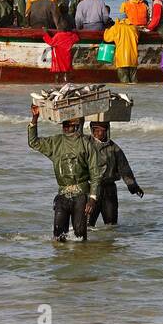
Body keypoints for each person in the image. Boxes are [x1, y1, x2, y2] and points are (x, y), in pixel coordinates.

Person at [27, 103, 105, 242]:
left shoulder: (86, 144)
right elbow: (33, 142)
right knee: (58, 237)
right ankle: (60, 261)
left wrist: (92, 198)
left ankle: (80, 259)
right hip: (62, 194)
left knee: (80, 236)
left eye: (68, 125)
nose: (66, 128)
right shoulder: (55, 142)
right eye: (64, 125)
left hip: (81, 195)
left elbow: (95, 173)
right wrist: (34, 119)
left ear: (75, 126)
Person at [88, 120, 144, 226]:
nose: (99, 133)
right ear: (92, 131)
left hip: (109, 190)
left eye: (102, 130)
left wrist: (134, 187)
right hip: (90, 189)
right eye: (96, 130)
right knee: (87, 225)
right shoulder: (86, 145)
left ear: (107, 131)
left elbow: (125, 169)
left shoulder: (114, 148)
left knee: (111, 225)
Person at [102, 16, 140, 83]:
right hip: (133, 59)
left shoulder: (116, 28)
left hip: (122, 59)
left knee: (124, 83)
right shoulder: (134, 28)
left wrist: (107, 29)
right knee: (134, 82)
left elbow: (107, 38)